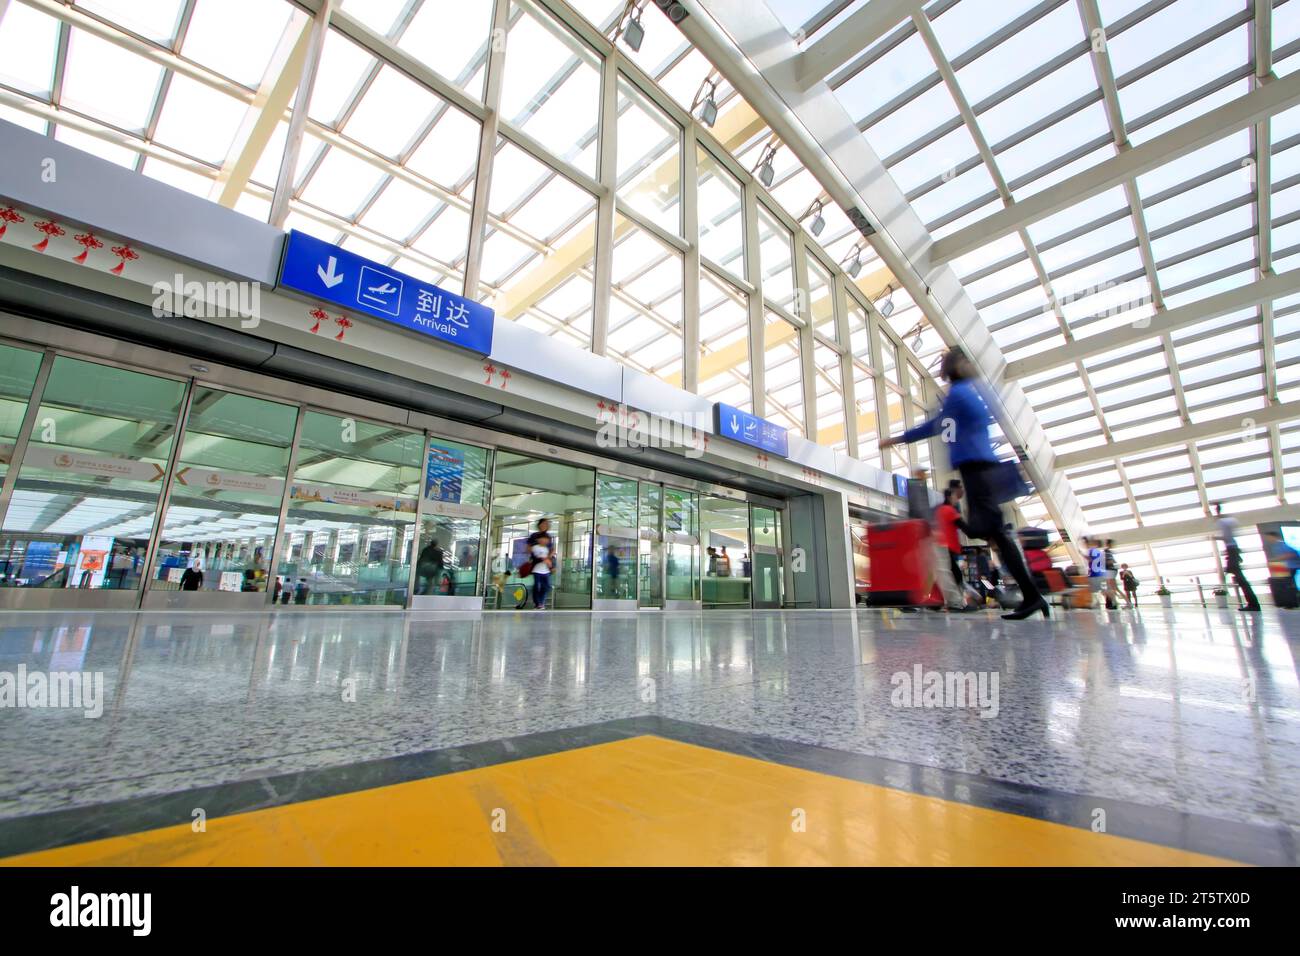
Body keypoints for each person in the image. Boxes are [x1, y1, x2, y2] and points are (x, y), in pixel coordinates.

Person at [880, 347, 1047, 620]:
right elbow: (958, 422)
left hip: (977, 468)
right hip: (979, 468)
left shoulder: (961, 393)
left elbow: (935, 426)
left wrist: (899, 439)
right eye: (965, 361)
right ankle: (1032, 596)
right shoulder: (968, 392)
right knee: (996, 534)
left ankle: (1033, 595)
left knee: (994, 533)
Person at [1214, 503, 1261, 612]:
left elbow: (1226, 537)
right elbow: (1228, 538)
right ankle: (1253, 603)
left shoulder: (1223, 523)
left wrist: (1216, 537)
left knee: (1241, 579)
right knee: (1240, 579)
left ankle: (1253, 604)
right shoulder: (1229, 523)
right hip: (1233, 551)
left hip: (1232, 552)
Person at [934, 487, 967, 611]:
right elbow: (962, 525)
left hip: (940, 544)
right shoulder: (949, 510)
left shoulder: (939, 510)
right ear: (949, 497)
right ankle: (956, 602)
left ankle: (940, 602)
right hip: (946, 545)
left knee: (945, 573)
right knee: (954, 574)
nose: (956, 500)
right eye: (954, 497)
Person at [1264, 531, 1300, 609]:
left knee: (1288, 585)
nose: (1267, 539)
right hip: (1285, 568)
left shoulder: (1281, 544)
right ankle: (1290, 603)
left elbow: (1291, 554)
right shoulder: (1276, 546)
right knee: (1288, 585)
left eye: (1268, 537)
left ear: (1273, 537)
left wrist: (1274, 559)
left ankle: (1292, 603)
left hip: (1290, 567)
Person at [528, 532, 554, 610]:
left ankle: (541, 603)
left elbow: (549, 559)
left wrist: (551, 565)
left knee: (546, 587)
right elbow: (534, 558)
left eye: (546, 539)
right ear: (538, 539)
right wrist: (544, 559)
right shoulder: (535, 547)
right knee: (537, 586)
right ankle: (537, 603)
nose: (544, 540)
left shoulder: (547, 549)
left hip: (546, 571)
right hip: (537, 571)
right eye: (542, 538)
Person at [1103, 539, 1119, 609]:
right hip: (1109, 571)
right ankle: (1112, 603)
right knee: (1112, 588)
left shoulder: (1108, 552)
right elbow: (1109, 562)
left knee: (1111, 588)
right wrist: (1112, 562)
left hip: (1109, 571)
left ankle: (1110, 603)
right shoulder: (1107, 552)